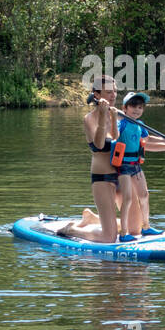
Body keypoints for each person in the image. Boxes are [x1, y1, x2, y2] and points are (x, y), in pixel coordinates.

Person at [56, 75, 122, 243]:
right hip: (102, 178)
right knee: (109, 237)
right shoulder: (90, 119)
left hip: (122, 175)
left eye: (115, 91)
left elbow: (118, 139)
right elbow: (100, 145)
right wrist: (102, 117)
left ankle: (93, 219)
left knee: (139, 225)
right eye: (108, 92)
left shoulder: (117, 115)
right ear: (97, 95)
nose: (113, 95)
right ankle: (71, 229)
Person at [114, 92, 165, 241]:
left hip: (136, 165)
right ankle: (124, 233)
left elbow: (148, 139)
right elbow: (113, 135)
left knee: (144, 195)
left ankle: (146, 227)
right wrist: (114, 119)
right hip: (123, 166)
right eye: (133, 106)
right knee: (127, 199)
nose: (136, 110)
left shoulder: (140, 125)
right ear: (124, 108)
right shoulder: (122, 123)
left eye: (140, 107)